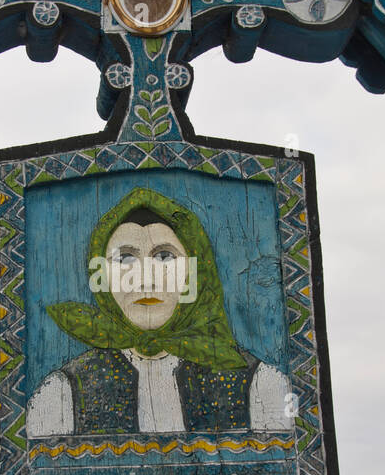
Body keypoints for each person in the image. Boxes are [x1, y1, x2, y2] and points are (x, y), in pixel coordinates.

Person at [26, 187, 290, 436]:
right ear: (101, 276)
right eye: (125, 258)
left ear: (194, 273)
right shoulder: (62, 393)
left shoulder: (260, 385)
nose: (145, 278)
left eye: (165, 256)